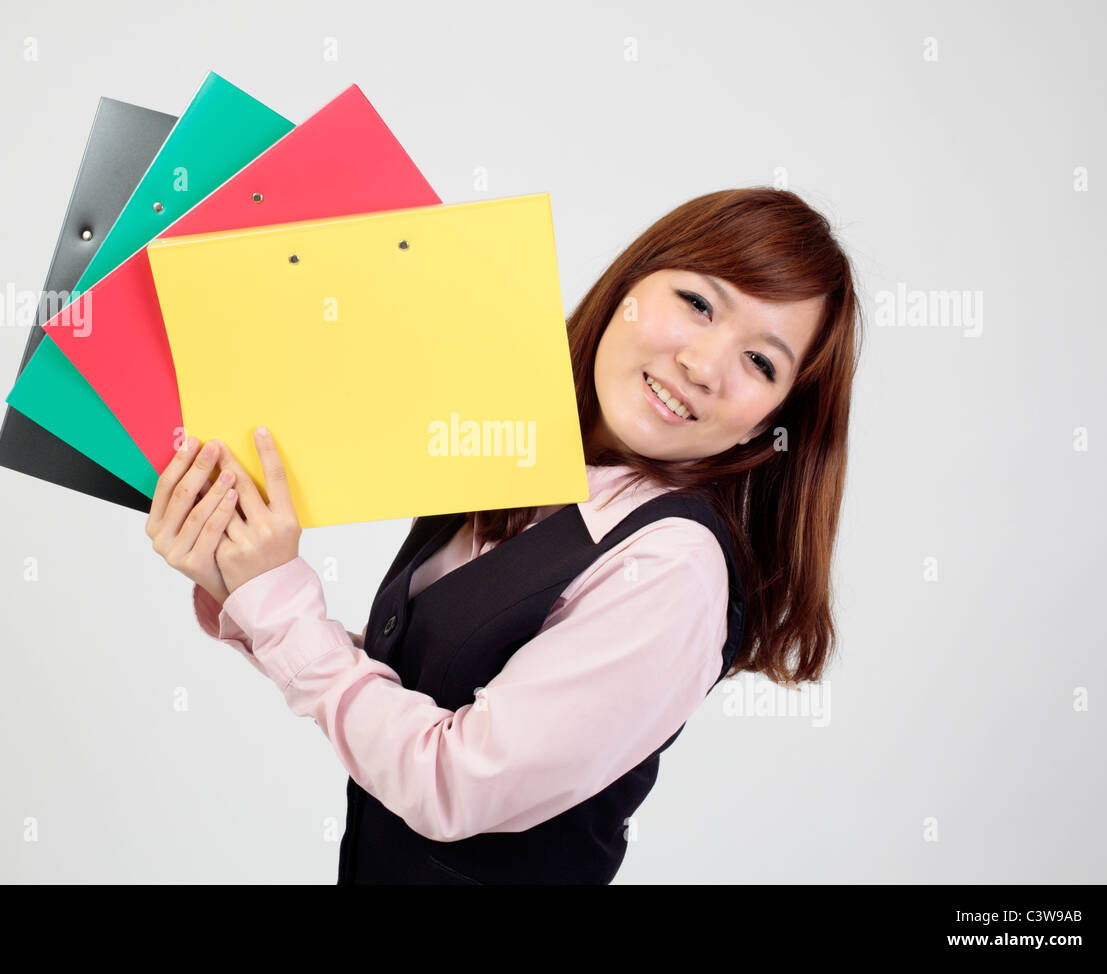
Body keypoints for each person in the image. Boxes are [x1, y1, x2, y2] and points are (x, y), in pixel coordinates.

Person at [145, 186, 863, 883]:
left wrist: (278, 604)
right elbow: (425, 688)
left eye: (760, 362)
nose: (702, 367)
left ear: (776, 420)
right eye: (699, 304)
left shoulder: (674, 566)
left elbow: (455, 783)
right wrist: (245, 585)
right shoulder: (516, 454)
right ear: (634, 282)